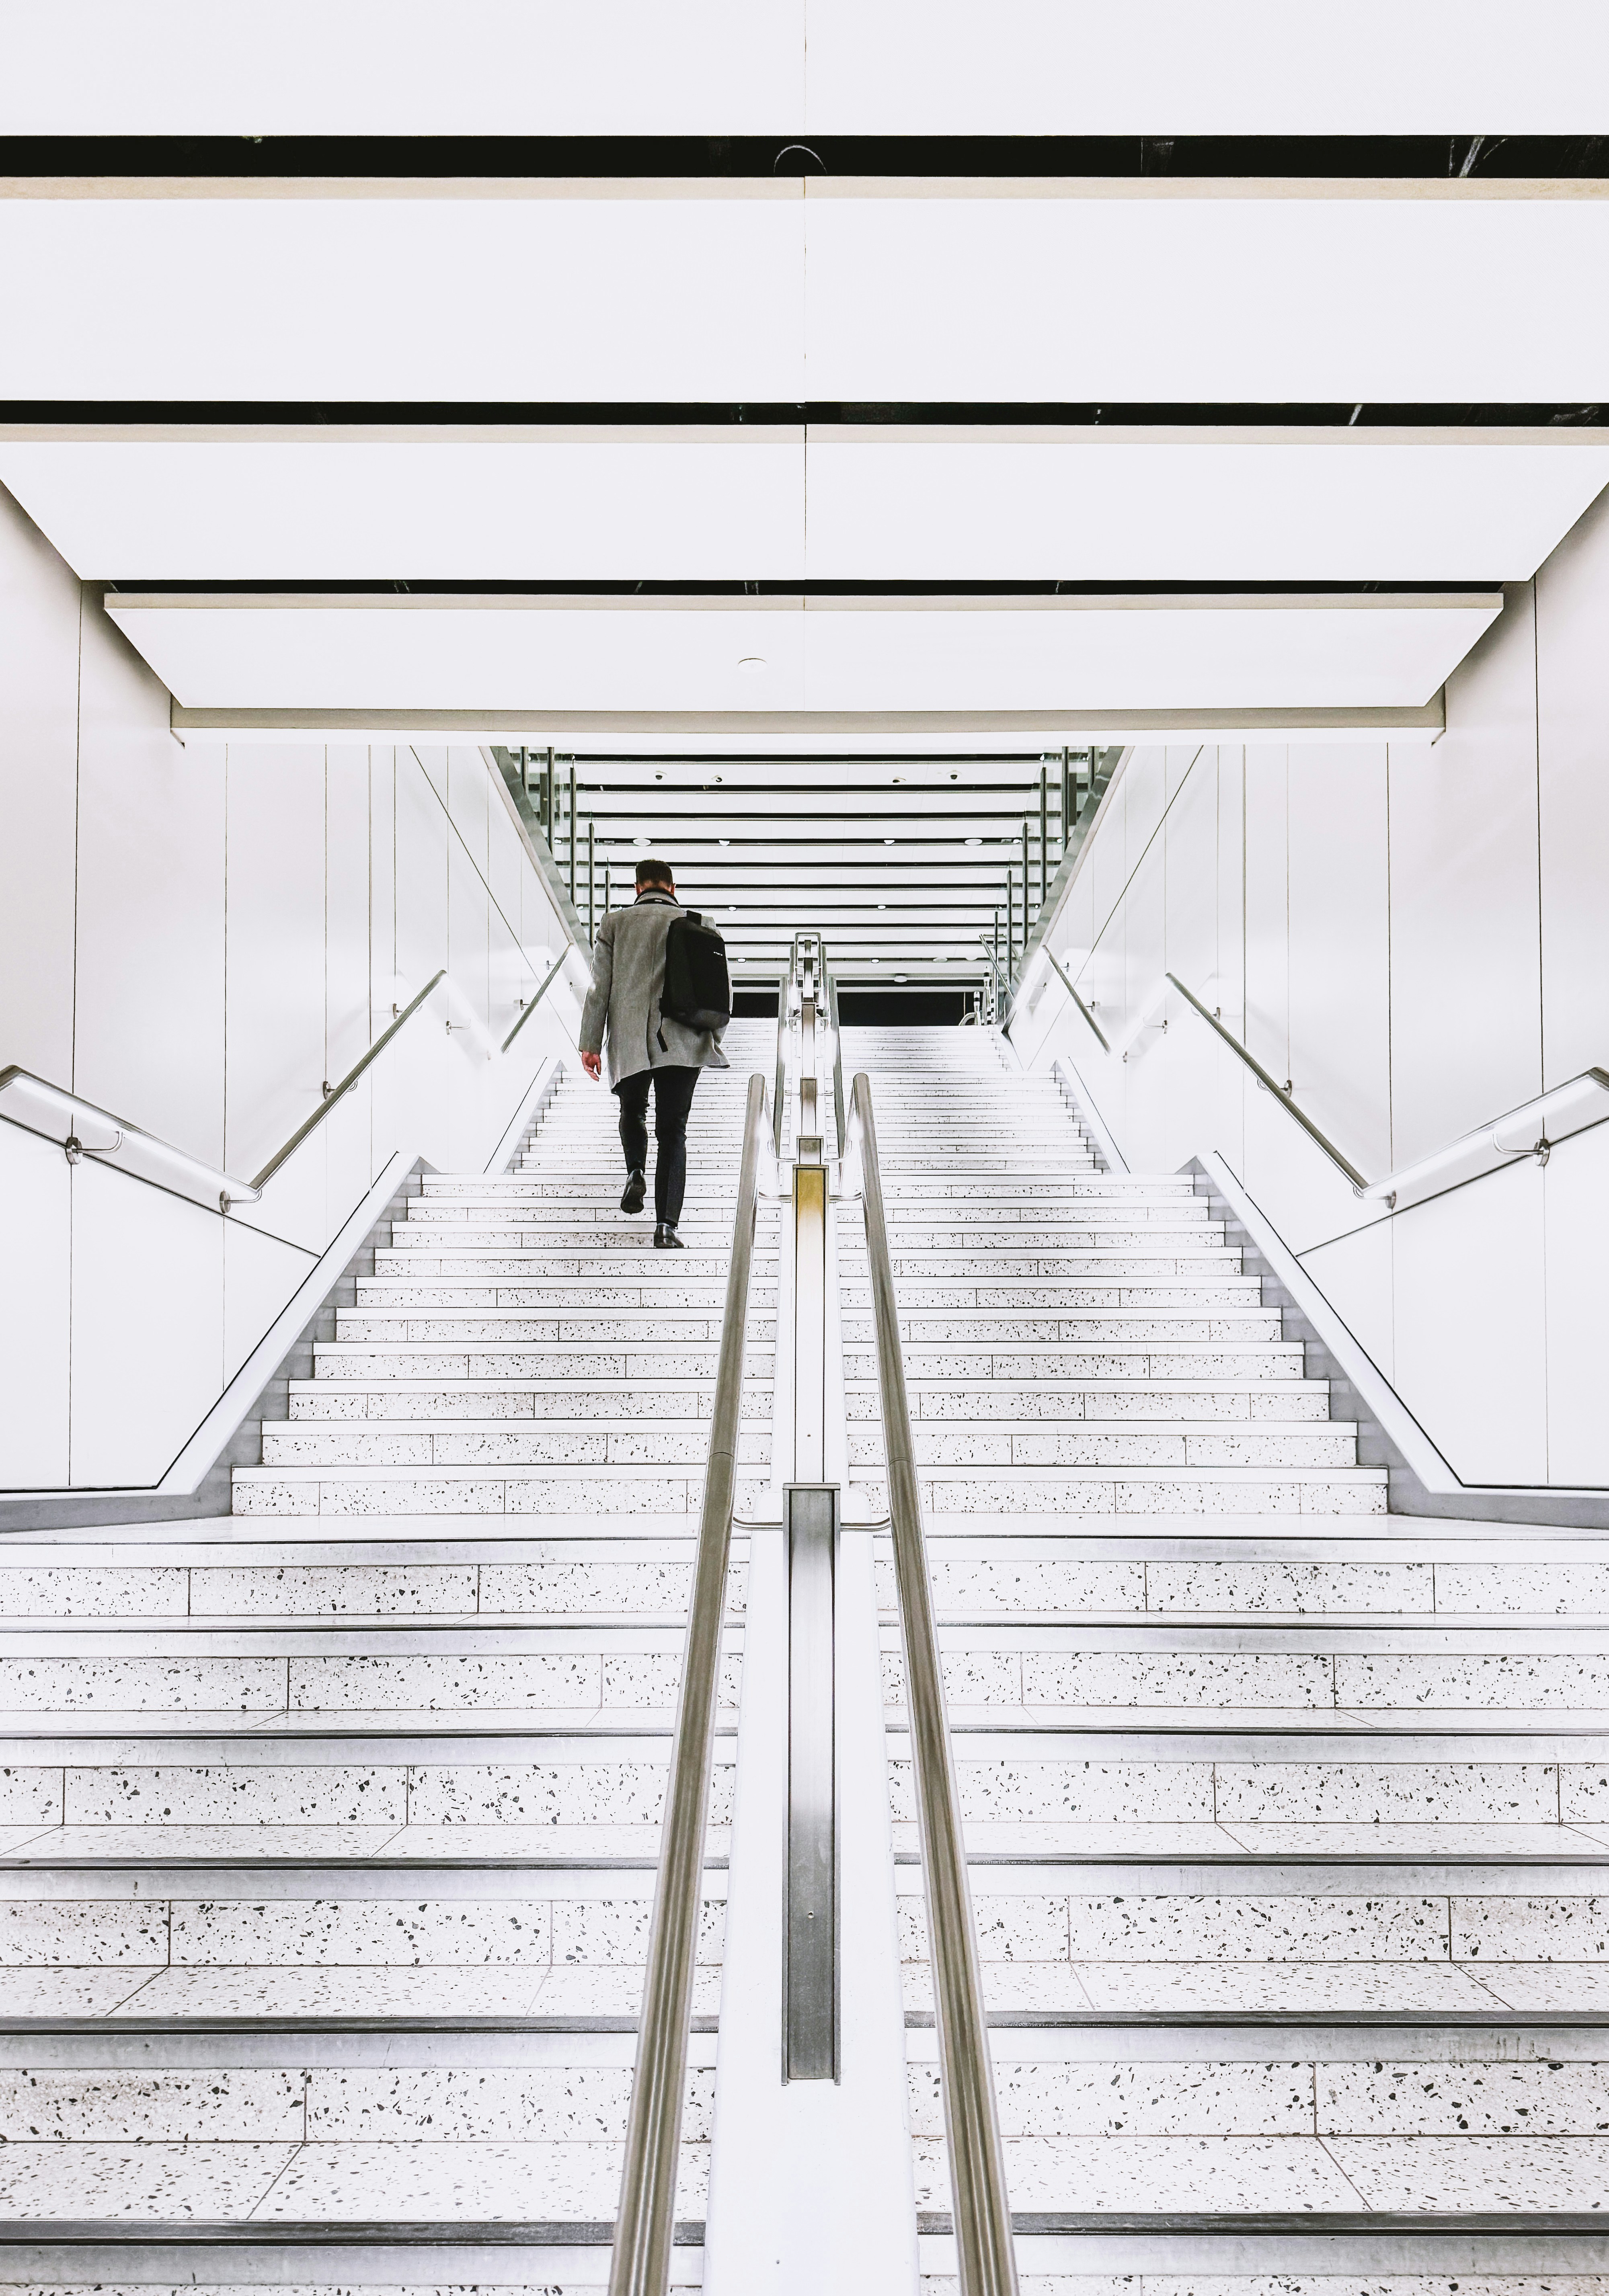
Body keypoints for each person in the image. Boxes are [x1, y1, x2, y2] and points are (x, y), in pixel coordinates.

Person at [578, 857, 729, 1248]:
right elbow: (720, 989)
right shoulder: (699, 923)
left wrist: (590, 1043)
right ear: (672, 889)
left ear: (638, 888)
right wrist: (713, 1037)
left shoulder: (615, 924)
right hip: (681, 1040)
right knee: (673, 1132)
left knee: (632, 1111)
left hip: (629, 1038)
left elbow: (599, 989)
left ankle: (635, 1171)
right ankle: (666, 1227)